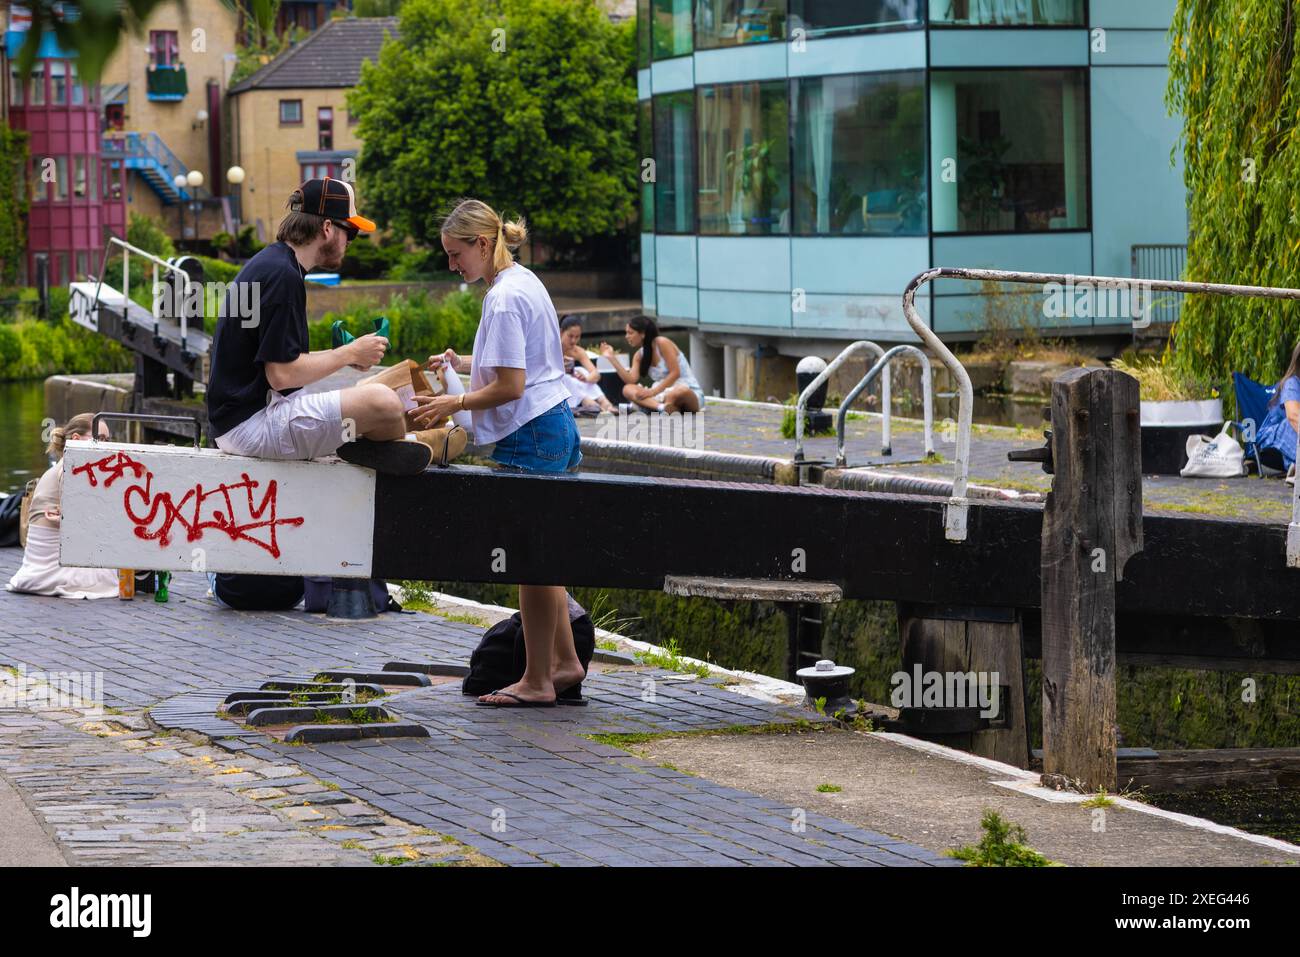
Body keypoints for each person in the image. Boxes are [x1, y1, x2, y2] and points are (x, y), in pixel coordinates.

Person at [410, 198, 584, 707]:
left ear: (483, 244)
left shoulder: (503, 299)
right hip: (555, 421)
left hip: (531, 429)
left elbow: (510, 384)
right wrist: (460, 360)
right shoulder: (523, 281)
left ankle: (536, 681)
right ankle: (565, 663)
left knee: (528, 558)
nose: (452, 264)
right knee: (544, 557)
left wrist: (454, 399)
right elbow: (524, 357)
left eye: (455, 253)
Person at [206, 177, 442, 476]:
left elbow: (278, 361)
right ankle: (397, 441)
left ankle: (370, 441)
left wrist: (350, 353)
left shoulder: (273, 263)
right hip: (253, 426)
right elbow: (281, 375)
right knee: (384, 402)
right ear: (327, 228)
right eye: (350, 233)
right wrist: (348, 354)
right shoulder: (284, 277)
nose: (349, 243)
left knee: (386, 385)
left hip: (241, 420)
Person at [6, 413, 119, 599]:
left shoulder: (65, 465)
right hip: (51, 567)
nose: (105, 445)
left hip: (39, 563)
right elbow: (85, 518)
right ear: (76, 439)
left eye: (108, 440)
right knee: (109, 575)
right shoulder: (71, 467)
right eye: (100, 439)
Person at [599, 315, 704, 414]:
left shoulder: (662, 343)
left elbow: (675, 373)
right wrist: (611, 358)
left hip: (687, 392)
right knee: (627, 389)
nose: (627, 337)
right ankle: (661, 408)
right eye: (626, 333)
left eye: (630, 333)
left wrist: (652, 392)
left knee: (678, 392)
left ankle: (647, 407)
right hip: (661, 395)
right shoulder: (639, 355)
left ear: (643, 334)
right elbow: (630, 380)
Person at [1257, 341, 1300, 476]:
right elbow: (1294, 416)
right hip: (1272, 439)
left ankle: (1295, 470)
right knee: (1290, 424)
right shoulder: (1292, 383)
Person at [559, 315, 615, 416]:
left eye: (577, 337)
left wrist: (586, 378)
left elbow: (596, 373)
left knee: (582, 371)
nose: (573, 341)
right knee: (568, 379)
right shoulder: (553, 348)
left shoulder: (578, 351)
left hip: (574, 383)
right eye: (570, 336)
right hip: (561, 384)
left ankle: (605, 403)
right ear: (561, 332)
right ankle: (595, 406)